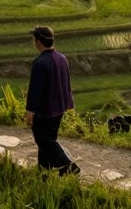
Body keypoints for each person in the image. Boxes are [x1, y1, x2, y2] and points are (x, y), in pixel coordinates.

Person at [27, 25, 79, 175]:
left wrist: (30, 111)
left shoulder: (40, 63)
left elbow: (35, 90)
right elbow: (66, 83)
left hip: (45, 110)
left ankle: (67, 166)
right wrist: (68, 103)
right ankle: (44, 169)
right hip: (59, 107)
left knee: (44, 140)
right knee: (49, 138)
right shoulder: (62, 58)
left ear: (38, 42)